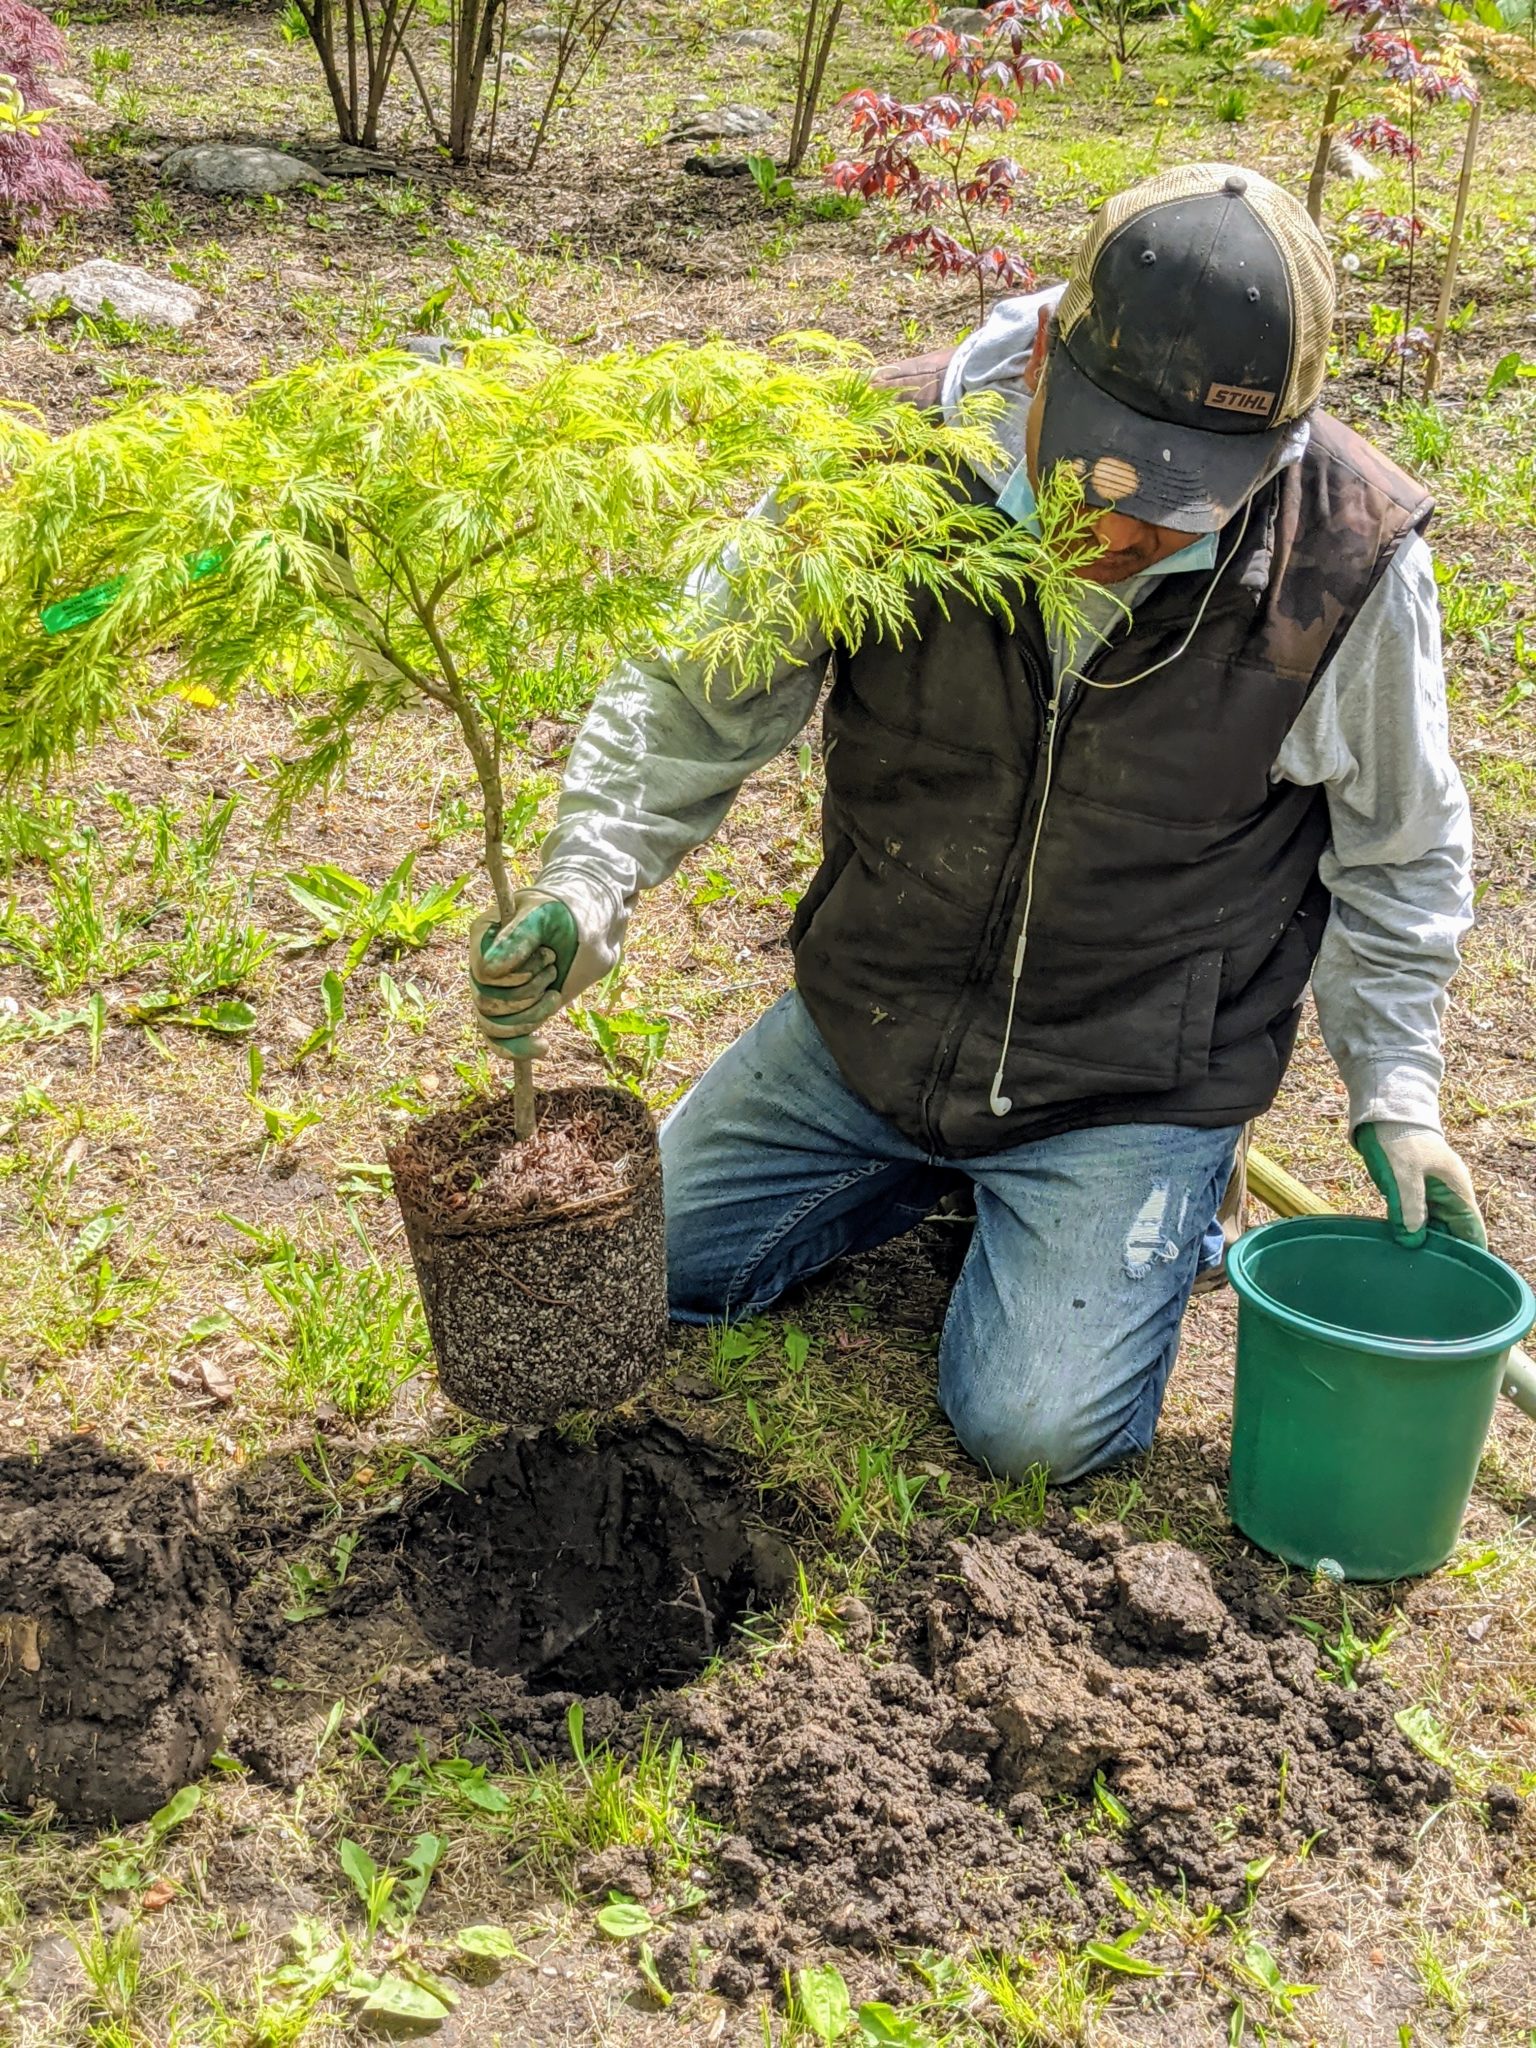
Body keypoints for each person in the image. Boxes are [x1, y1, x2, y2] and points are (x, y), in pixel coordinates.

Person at [468, 163, 1482, 1484]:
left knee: (1032, 1430)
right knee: (634, 1270)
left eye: (1183, 495)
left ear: (1280, 448)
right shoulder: (887, 465)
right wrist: (589, 879)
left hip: (1125, 1084)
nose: (1123, 527)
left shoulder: (1346, 565)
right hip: (869, 1034)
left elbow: (1402, 857)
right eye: (1109, 471)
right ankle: (933, 1180)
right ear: (1048, 356)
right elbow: (690, 686)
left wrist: (1396, 1098)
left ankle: (1159, 1206)